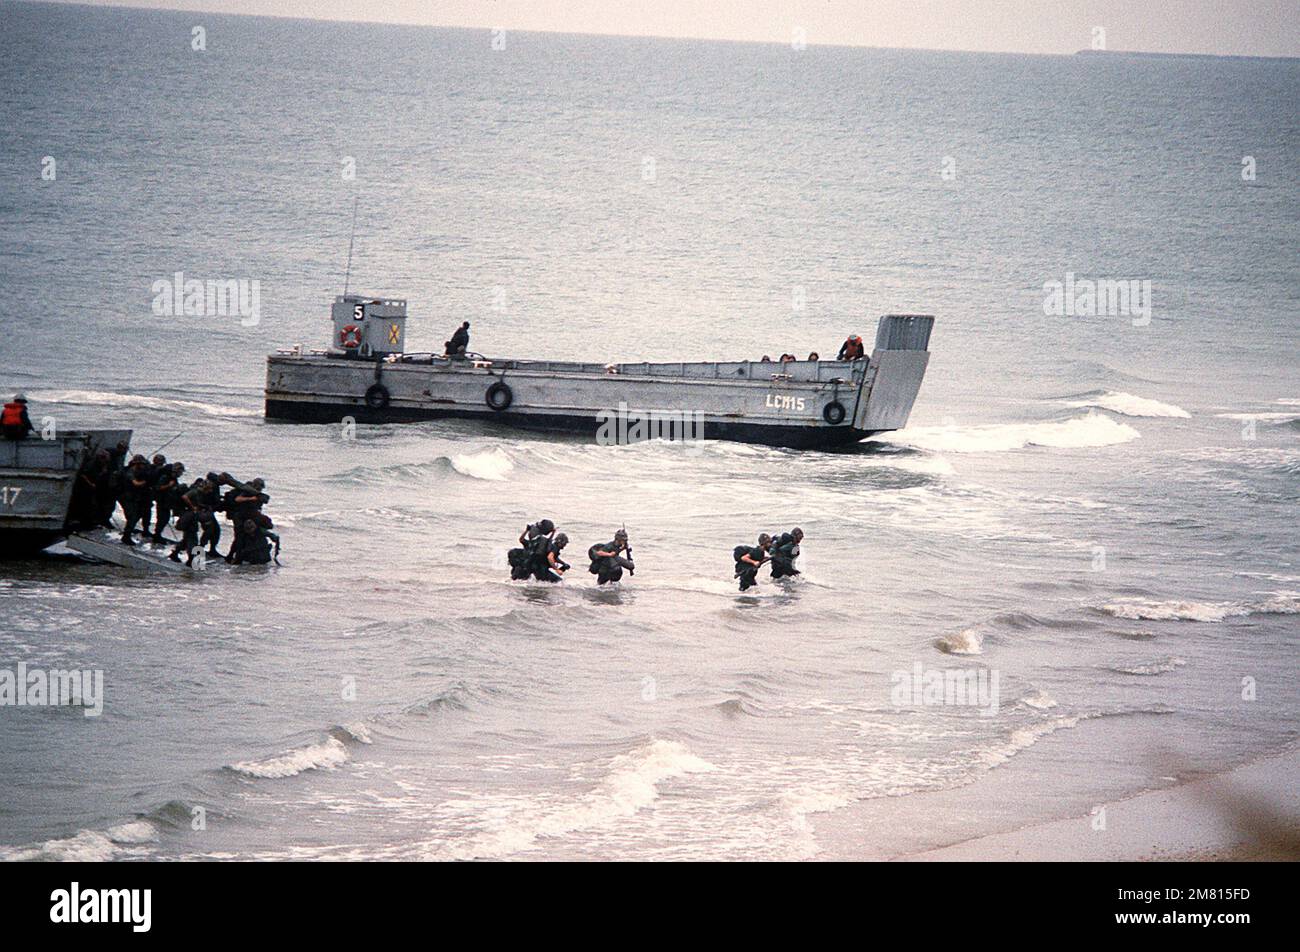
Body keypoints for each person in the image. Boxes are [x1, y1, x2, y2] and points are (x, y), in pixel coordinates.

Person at [169, 477, 210, 565]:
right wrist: (193, 507)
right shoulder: (195, 491)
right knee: (192, 539)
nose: (209, 492)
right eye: (208, 489)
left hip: (190, 517)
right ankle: (190, 560)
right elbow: (185, 497)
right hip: (189, 518)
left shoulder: (199, 493)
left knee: (186, 538)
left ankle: (175, 554)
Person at [118, 456, 153, 545]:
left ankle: (127, 534)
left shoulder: (138, 471)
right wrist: (146, 481)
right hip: (127, 498)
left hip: (133, 498)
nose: (143, 466)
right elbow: (136, 483)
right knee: (132, 517)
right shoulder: (130, 472)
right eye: (142, 464)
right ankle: (126, 536)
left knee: (136, 515)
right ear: (137, 464)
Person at [150, 461, 184, 541]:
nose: (181, 474)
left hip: (167, 501)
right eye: (180, 472)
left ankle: (157, 534)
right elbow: (158, 488)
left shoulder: (173, 478)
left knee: (164, 519)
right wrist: (169, 485)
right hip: (162, 501)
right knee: (162, 519)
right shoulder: (165, 477)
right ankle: (156, 535)